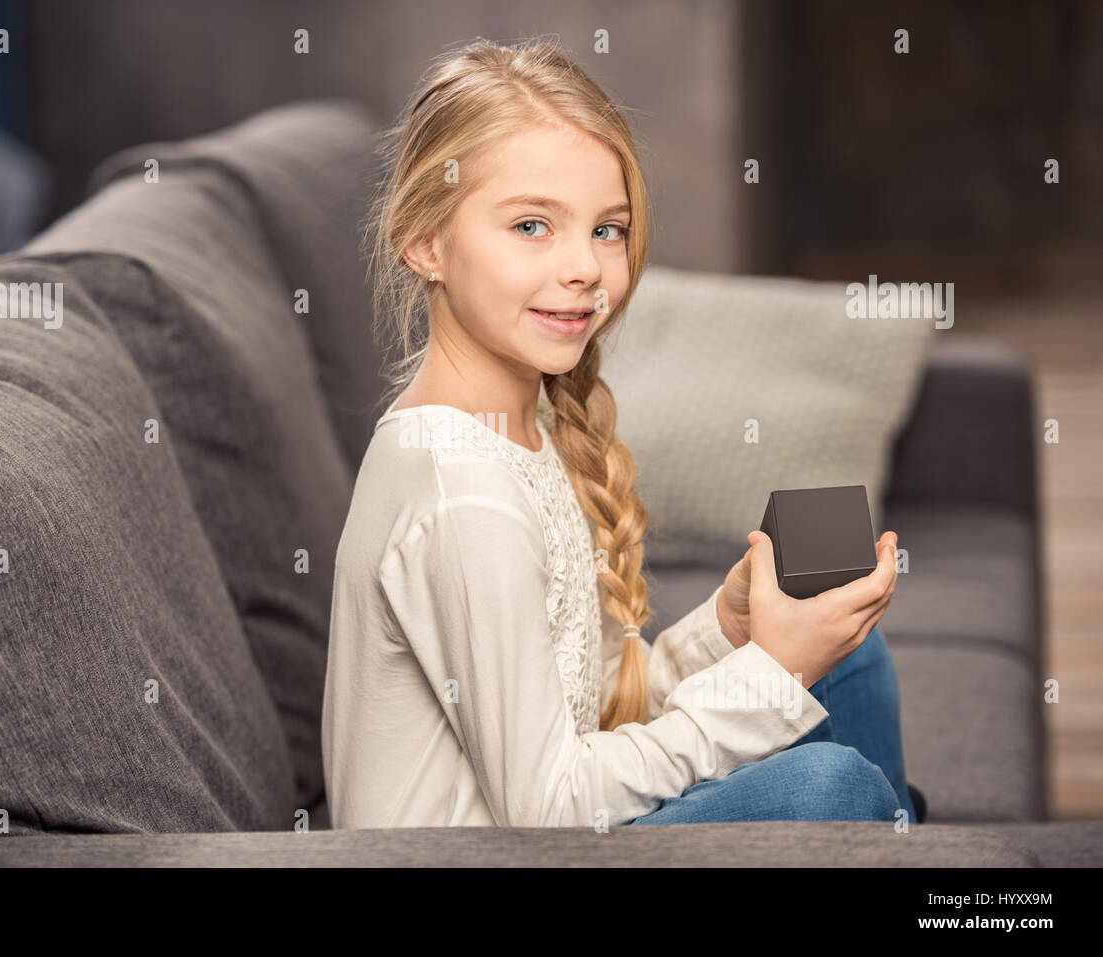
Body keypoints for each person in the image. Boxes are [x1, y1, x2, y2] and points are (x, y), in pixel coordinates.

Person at [322, 36, 918, 830]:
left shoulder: (519, 430)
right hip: (509, 849)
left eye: (608, 229)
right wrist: (771, 674)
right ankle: (900, 840)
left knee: (850, 660)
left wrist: (729, 632)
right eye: (532, 226)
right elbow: (549, 805)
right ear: (426, 242)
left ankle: (896, 836)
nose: (585, 267)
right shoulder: (462, 496)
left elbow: (590, 713)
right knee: (827, 788)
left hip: (555, 820)